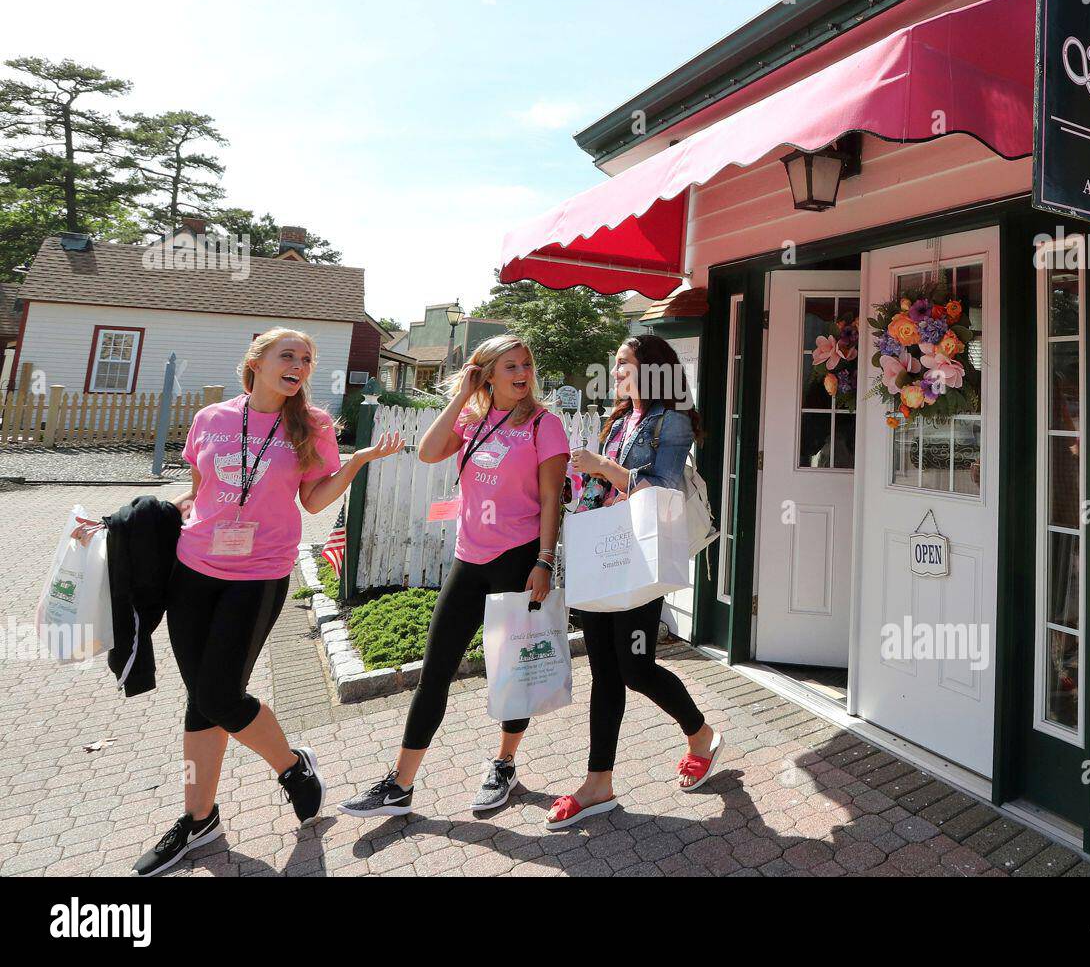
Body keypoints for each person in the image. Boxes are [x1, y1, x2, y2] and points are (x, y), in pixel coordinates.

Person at [132, 328, 402, 876]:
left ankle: (293, 766)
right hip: (192, 570)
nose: (299, 364)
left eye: (306, 359)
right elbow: (200, 487)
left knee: (219, 694)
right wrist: (149, 516)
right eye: (288, 355)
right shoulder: (212, 418)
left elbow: (313, 498)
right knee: (201, 701)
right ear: (255, 362)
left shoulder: (313, 425)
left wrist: (357, 462)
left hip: (257, 575)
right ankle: (198, 818)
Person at [338, 335, 569, 818]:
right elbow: (427, 452)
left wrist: (544, 560)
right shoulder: (472, 418)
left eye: (526, 363)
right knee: (435, 671)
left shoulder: (544, 425)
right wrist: (462, 395)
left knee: (512, 671)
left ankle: (505, 763)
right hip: (469, 560)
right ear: (485, 373)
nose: (522, 373)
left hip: (517, 559)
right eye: (510, 366)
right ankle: (400, 784)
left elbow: (553, 499)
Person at [545, 335, 723, 830]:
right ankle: (598, 781)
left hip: (639, 557)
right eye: (617, 363)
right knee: (605, 671)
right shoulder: (619, 420)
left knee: (637, 667)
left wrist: (603, 467)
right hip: (602, 554)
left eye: (624, 363)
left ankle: (701, 735)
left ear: (654, 369)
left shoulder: (674, 421)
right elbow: (604, 491)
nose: (616, 370)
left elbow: (661, 490)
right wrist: (581, 480)